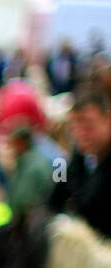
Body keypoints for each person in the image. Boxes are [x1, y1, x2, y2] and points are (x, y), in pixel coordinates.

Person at [48, 89, 111, 239]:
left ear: (108, 120)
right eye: (75, 126)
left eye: (88, 125)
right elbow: (56, 194)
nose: (81, 133)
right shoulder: (75, 157)